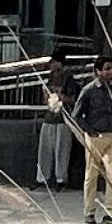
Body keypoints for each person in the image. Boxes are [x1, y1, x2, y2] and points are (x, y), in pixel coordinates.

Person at [71, 55, 112, 223]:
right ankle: (89, 211)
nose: (110, 72)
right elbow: (76, 115)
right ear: (97, 71)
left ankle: (111, 212)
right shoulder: (88, 90)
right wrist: (89, 131)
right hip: (95, 137)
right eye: (107, 68)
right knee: (92, 175)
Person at [35, 53, 72, 191]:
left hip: (63, 119)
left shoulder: (69, 79)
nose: (51, 65)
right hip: (49, 118)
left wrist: (58, 96)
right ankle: (42, 178)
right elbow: (45, 100)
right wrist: (47, 96)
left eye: (54, 62)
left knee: (61, 150)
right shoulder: (49, 78)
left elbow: (72, 98)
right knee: (45, 150)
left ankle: (61, 179)